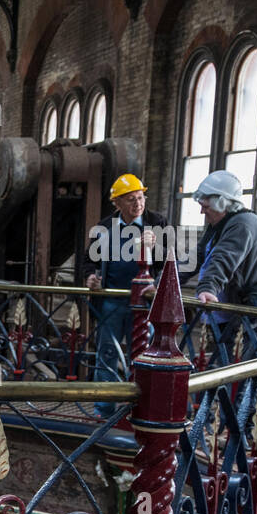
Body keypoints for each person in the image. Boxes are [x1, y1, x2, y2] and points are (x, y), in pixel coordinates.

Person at [84, 173, 164, 415]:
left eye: (140, 198)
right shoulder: (105, 226)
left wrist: (155, 247)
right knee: (107, 353)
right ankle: (104, 409)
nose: (138, 204)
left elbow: (172, 261)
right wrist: (90, 278)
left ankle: (143, 408)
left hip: (144, 303)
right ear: (117, 204)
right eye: (130, 199)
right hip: (112, 302)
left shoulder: (157, 223)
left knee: (145, 355)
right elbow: (89, 260)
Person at [192, 170, 257, 310]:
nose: (202, 212)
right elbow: (196, 257)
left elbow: (223, 259)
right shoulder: (219, 225)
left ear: (222, 203)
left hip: (249, 315)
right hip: (228, 310)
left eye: (206, 207)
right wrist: (163, 283)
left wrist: (207, 288)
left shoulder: (242, 225)